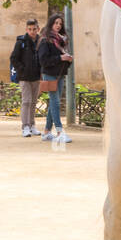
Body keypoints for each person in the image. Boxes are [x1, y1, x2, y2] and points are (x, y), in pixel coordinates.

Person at [36, 13, 73, 143]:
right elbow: (43, 60)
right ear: (51, 23)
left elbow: (61, 58)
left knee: (53, 103)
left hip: (60, 74)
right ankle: (59, 132)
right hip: (50, 74)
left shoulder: (61, 40)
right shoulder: (45, 40)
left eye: (60, 24)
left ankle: (46, 132)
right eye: (56, 23)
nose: (58, 26)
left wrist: (68, 59)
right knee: (55, 102)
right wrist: (60, 58)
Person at [10, 18, 42, 137]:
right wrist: (22, 69)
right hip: (24, 77)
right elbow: (13, 58)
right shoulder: (21, 42)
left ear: (38, 29)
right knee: (26, 101)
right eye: (30, 29)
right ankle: (25, 126)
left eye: (34, 29)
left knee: (33, 102)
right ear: (26, 29)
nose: (32, 31)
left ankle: (32, 125)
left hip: (36, 77)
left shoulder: (40, 41)